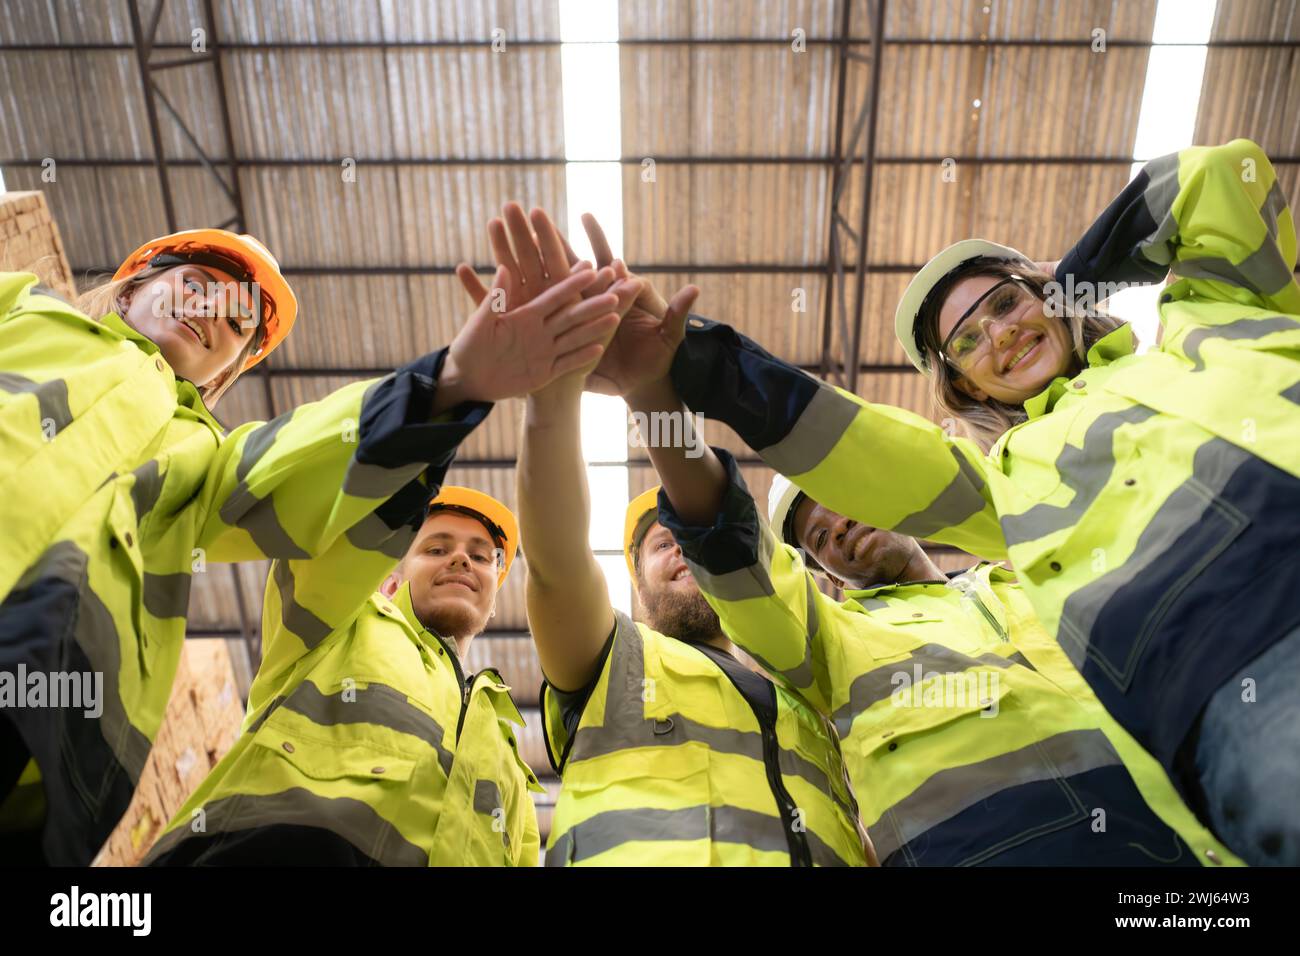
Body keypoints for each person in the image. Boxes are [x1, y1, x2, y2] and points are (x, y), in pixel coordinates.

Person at [654, 139, 1300, 865]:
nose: (1000, 333)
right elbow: (843, 463)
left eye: (1005, 303)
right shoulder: (1010, 493)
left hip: (1175, 834)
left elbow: (1224, 177)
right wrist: (677, 379)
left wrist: (1071, 280)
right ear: (963, 389)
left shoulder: (1202, 325)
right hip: (1241, 680)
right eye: (967, 340)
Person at [0, 219, 622, 864]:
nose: (214, 312)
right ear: (130, 289)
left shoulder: (207, 467)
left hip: (47, 695)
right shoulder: (24, 310)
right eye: (197, 285)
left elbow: (304, 459)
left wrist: (450, 385)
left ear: (224, 372)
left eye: (239, 324)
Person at [459, 209, 867, 865]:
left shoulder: (807, 692)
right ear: (634, 582)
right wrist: (552, 399)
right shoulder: (608, 663)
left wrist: (655, 389)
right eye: (659, 544)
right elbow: (558, 564)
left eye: (690, 538)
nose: (682, 547)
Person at [146, 486, 545, 866]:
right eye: (436, 548)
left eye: (480, 557)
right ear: (391, 583)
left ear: (493, 602)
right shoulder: (340, 623)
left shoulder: (509, 762)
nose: (461, 559)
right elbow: (323, 526)